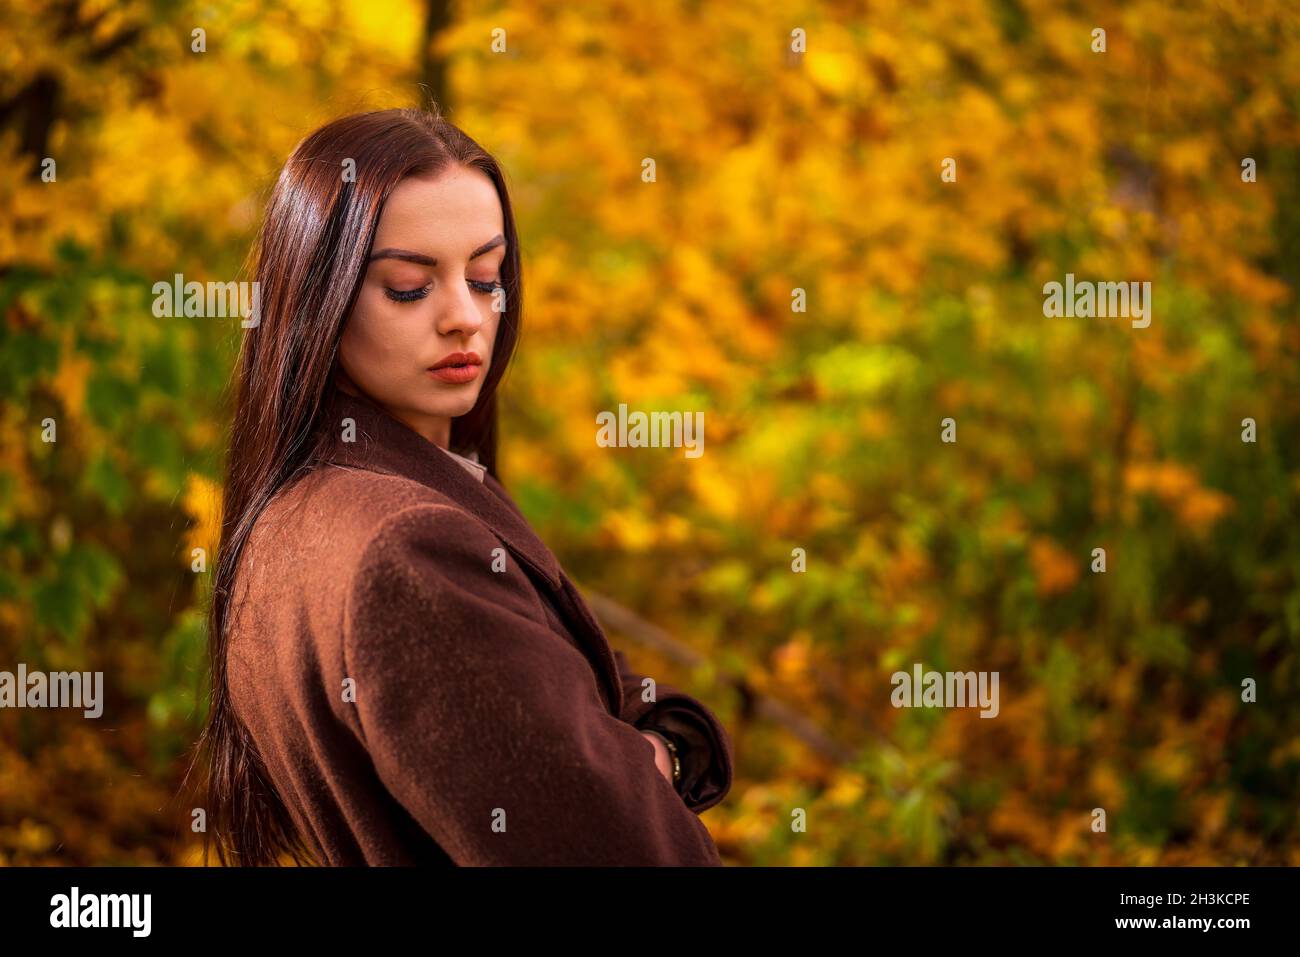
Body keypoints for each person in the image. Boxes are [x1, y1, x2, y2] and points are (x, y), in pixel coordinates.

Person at [199, 107, 733, 866]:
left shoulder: (298, 507)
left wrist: (650, 750)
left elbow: (593, 689)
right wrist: (645, 763)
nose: (464, 318)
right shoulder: (407, 547)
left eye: (486, 277)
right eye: (410, 288)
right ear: (318, 299)